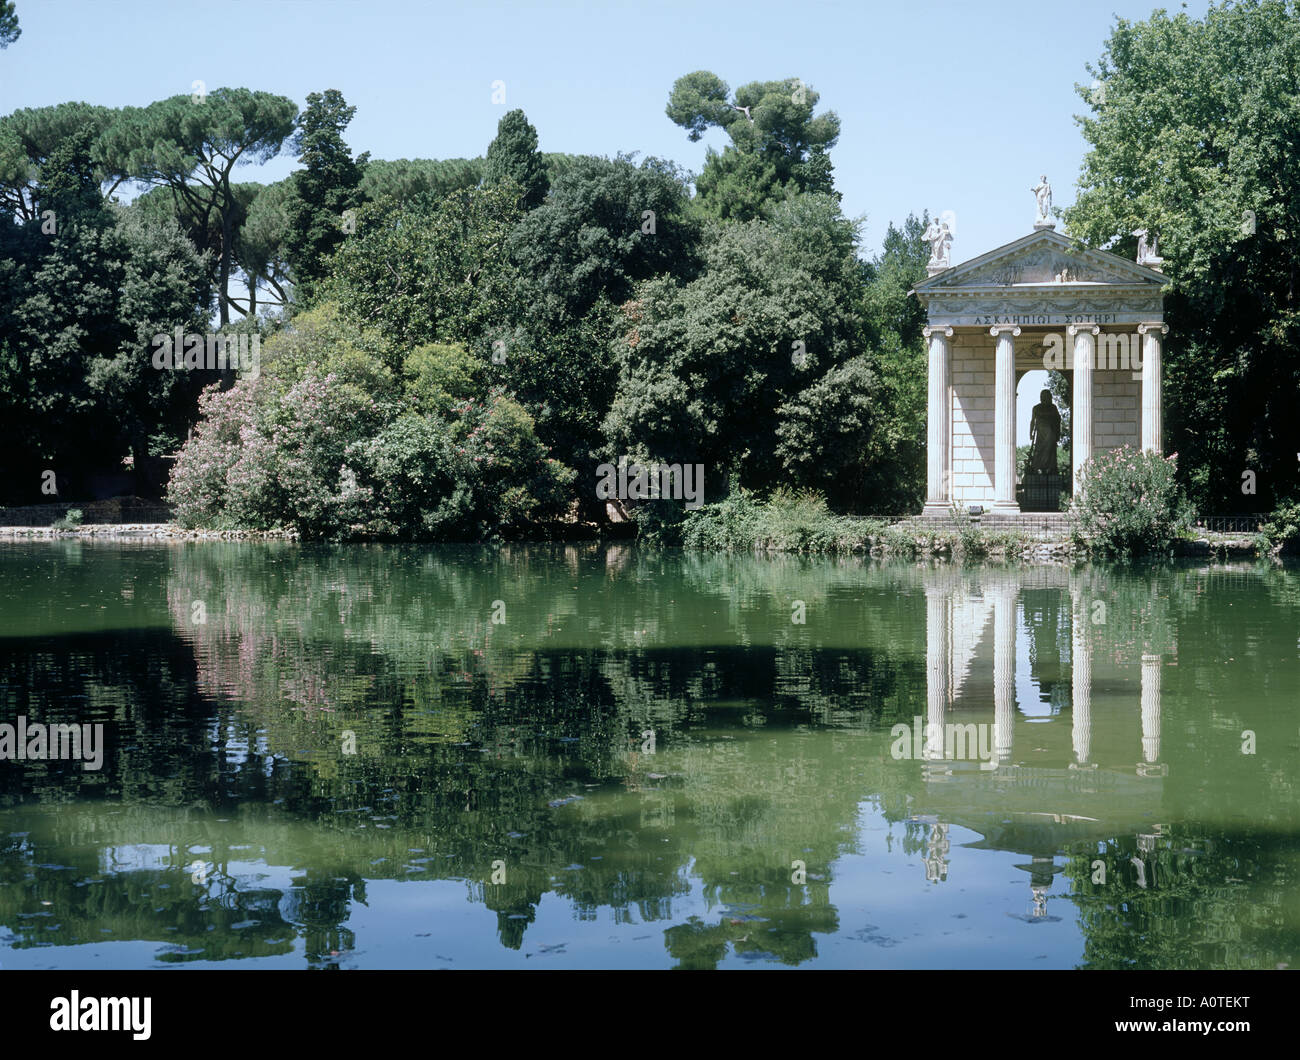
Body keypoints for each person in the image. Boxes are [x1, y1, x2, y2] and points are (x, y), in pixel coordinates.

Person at [1028, 389, 1061, 473]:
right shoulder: (1036, 408)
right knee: (1039, 450)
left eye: (1047, 396)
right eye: (1044, 396)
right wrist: (1030, 433)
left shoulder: (1053, 407)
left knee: (1050, 451)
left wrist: (1057, 434)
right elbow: (1032, 421)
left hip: (1051, 433)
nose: (1046, 398)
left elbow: (1058, 419)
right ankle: (1039, 468)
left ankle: (1050, 469)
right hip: (1041, 434)